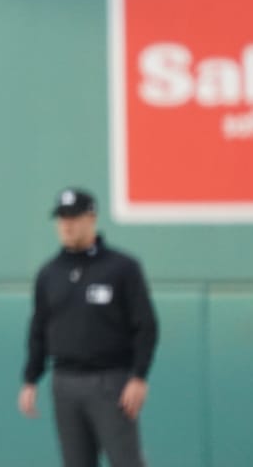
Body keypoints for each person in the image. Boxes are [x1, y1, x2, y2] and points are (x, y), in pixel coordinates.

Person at [20, 189, 159, 467]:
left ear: (91, 218)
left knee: (125, 460)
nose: (67, 225)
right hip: (65, 382)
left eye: (74, 217)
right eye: (61, 218)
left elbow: (146, 325)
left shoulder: (121, 267)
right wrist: (31, 379)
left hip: (111, 382)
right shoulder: (50, 273)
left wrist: (139, 376)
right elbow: (39, 329)